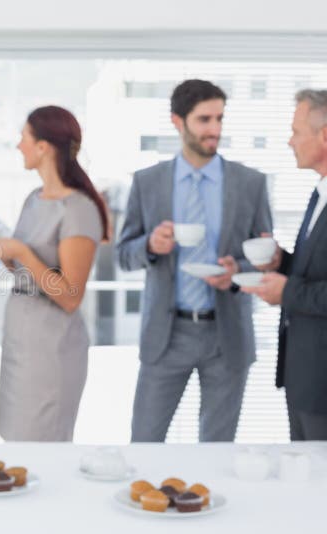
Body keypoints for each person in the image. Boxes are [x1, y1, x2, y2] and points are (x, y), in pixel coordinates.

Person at [117, 79, 273, 442]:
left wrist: (236, 273)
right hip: (167, 336)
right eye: (204, 119)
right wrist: (152, 245)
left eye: (219, 118)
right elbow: (125, 255)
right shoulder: (148, 182)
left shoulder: (250, 183)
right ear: (178, 121)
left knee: (217, 451)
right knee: (145, 443)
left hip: (227, 334)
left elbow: (264, 257)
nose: (214, 129)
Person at [0, 106, 107, 442]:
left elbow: (69, 296)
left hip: (53, 345)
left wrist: (20, 252)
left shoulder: (79, 209)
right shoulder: (33, 199)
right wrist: (7, 255)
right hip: (20, 337)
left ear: (43, 146)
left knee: (41, 442)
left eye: (24, 138)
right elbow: (29, 268)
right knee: (14, 437)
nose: (19, 146)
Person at [242, 89, 327, 440]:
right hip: (304, 378)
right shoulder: (319, 193)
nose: (289, 141)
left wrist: (287, 290)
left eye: (296, 131)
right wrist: (282, 262)